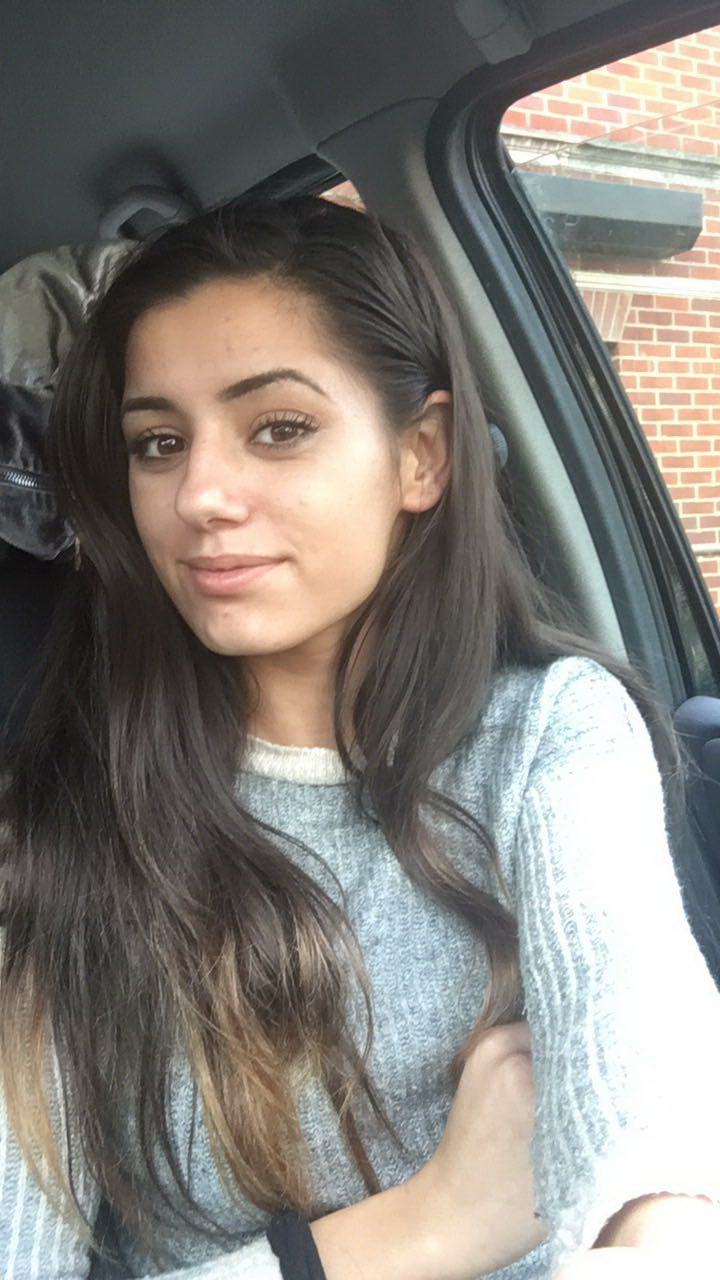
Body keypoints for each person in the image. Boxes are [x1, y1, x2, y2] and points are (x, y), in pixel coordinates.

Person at [1, 192, 719, 1280]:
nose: (200, 494)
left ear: (421, 455)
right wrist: (424, 1226)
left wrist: (658, 1230)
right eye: (158, 443)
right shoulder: (60, 809)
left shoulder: (548, 730)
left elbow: (647, 1083)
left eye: (278, 428)